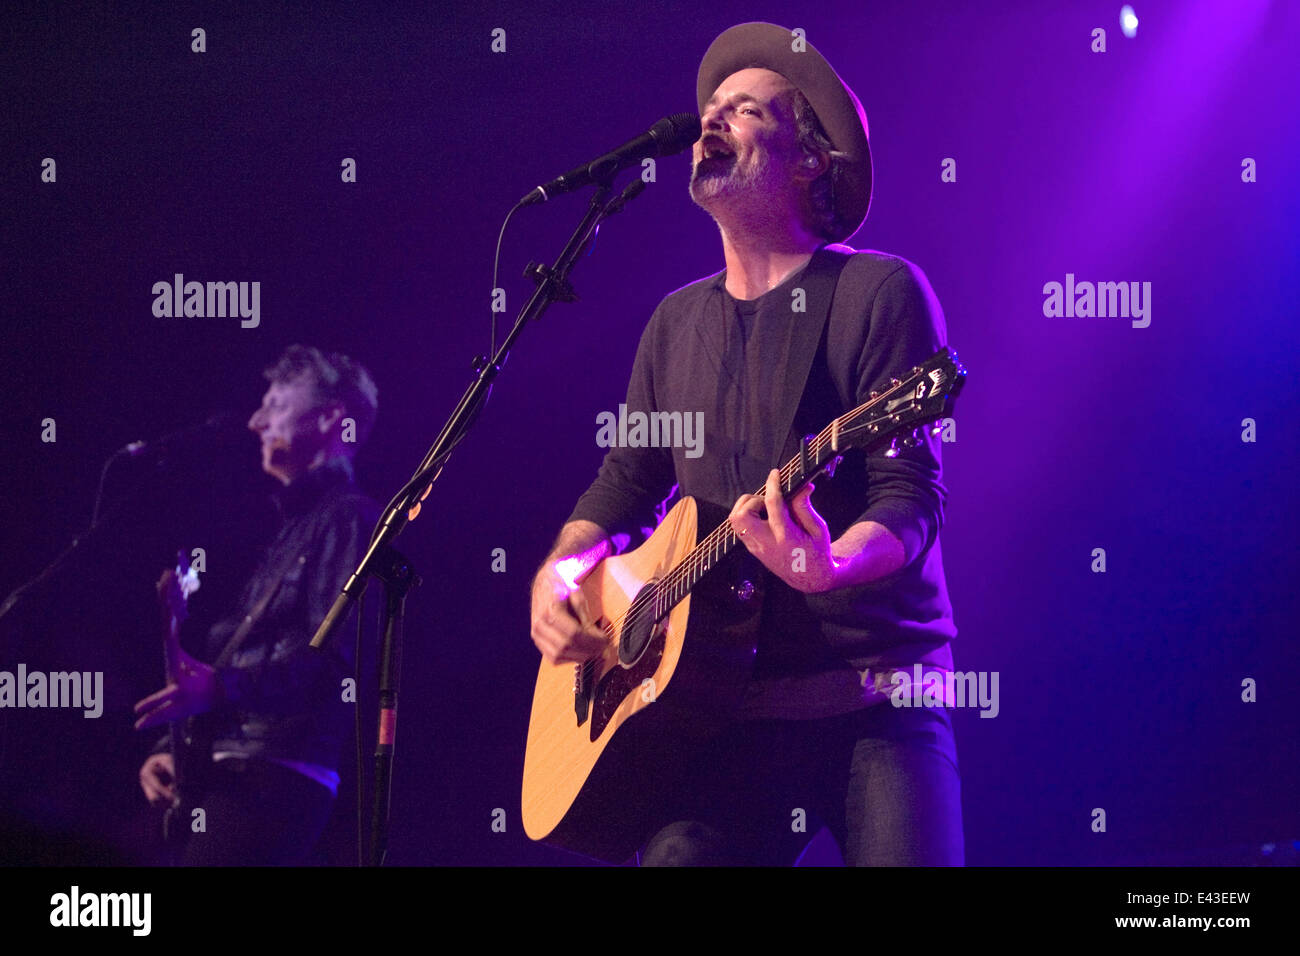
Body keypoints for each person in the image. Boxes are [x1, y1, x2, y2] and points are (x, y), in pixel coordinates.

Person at [529, 22, 964, 865]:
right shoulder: (674, 322)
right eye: (710, 111)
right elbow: (624, 483)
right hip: (722, 712)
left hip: (875, 698)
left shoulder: (879, 291)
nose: (710, 122)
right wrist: (563, 571)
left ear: (810, 159)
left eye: (746, 111)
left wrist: (831, 566)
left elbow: (909, 500)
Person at [135, 344, 380, 865]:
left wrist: (220, 687)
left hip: (274, 774)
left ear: (331, 415)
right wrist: (172, 748)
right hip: (229, 770)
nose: (254, 421)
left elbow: (336, 662)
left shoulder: (349, 519)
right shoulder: (291, 527)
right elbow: (241, 659)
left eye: (275, 403)